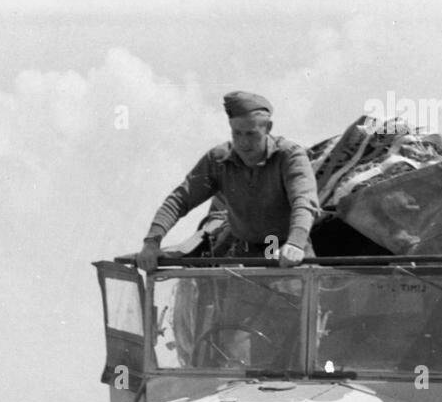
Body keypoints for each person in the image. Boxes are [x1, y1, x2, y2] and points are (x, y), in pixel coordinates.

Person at [137, 90, 320, 270]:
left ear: (268, 128)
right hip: (246, 254)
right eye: (236, 133)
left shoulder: (289, 156)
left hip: (287, 251)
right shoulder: (219, 159)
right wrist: (152, 242)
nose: (243, 143)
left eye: (251, 134)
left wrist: (296, 243)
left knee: (302, 296)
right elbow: (180, 199)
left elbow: (304, 202)